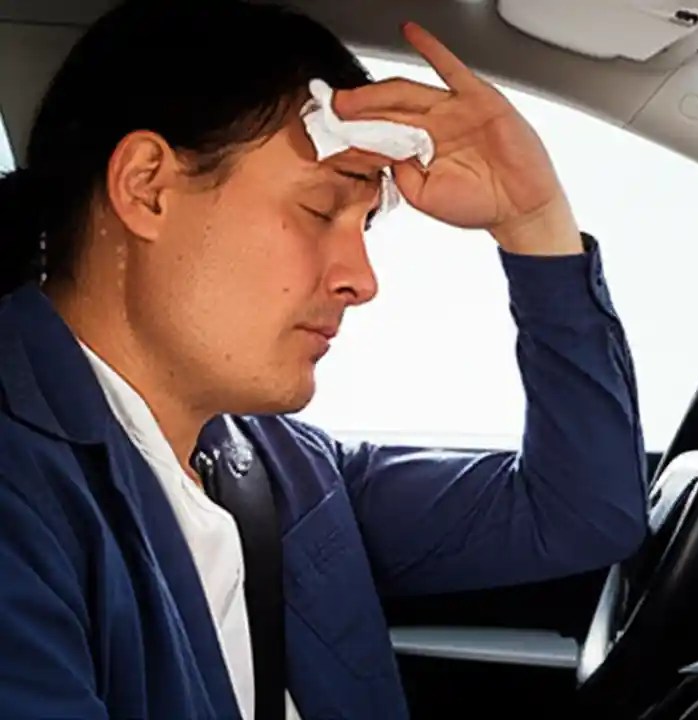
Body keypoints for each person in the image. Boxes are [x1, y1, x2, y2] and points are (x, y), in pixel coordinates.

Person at [0, 1, 648, 718]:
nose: (362, 280)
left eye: (365, 223)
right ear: (147, 187)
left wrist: (534, 222)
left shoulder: (279, 466)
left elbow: (583, 514)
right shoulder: (22, 503)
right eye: (318, 211)